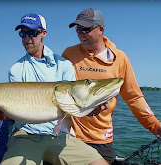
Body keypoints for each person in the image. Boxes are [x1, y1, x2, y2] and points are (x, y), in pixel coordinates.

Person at [1, 13, 108, 165]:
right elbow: (17, 114)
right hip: (26, 135)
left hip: (59, 137)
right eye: (22, 34)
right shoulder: (16, 70)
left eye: (32, 33)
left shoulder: (64, 65)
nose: (26, 38)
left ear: (43, 33)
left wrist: (92, 110)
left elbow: (72, 105)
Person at [62, 8, 161, 164]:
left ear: (101, 29)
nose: (80, 34)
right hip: (70, 135)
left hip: (100, 138)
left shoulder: (120, 59)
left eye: (85, 29)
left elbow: (134, 98)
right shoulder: (69, 54)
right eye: (78, 29)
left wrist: (156, 127)